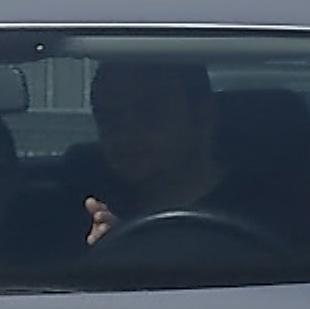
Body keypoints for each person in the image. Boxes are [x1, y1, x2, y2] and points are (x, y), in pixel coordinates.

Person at [78, 61, 272, 247]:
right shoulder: (82, 205)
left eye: (150, 113)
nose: (124, 135)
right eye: (108, 117)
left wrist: (130, 251)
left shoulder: (266, 210)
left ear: (205, 115)